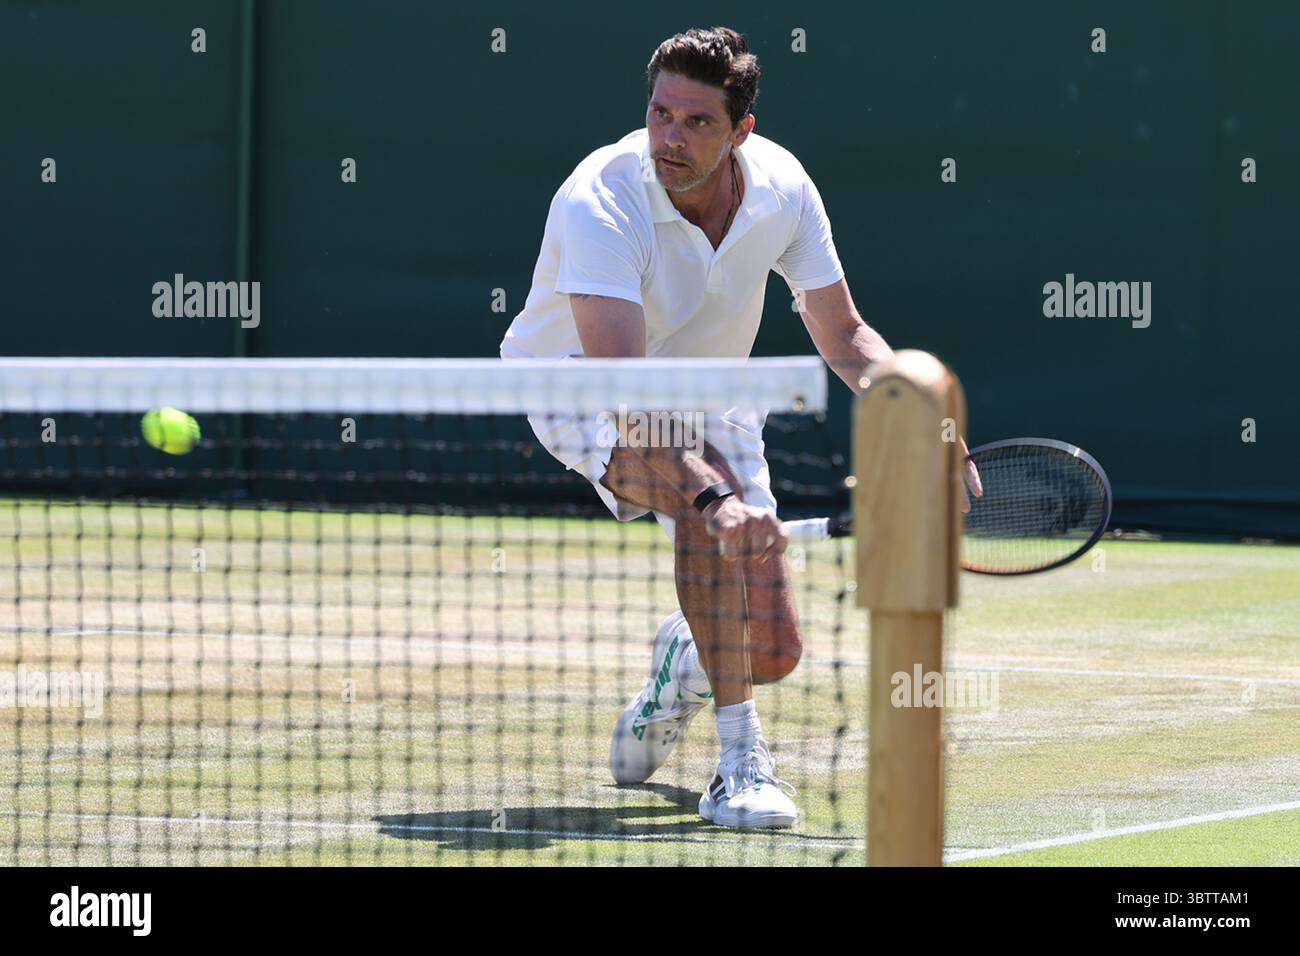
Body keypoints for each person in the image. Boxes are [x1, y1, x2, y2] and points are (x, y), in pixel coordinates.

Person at [500, 26, 979, 828]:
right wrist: (714, 498)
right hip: (582, 386)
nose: (669, 138)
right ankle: (739, 765)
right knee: (707, 506)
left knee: (776, 651)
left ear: (740, 131)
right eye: (660, 114)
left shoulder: (785, 188)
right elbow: (624, 387)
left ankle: (681, 666)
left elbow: (845, 334)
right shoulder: (602, 198)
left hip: (716, 395)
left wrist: (928, 424)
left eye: (696, 122)